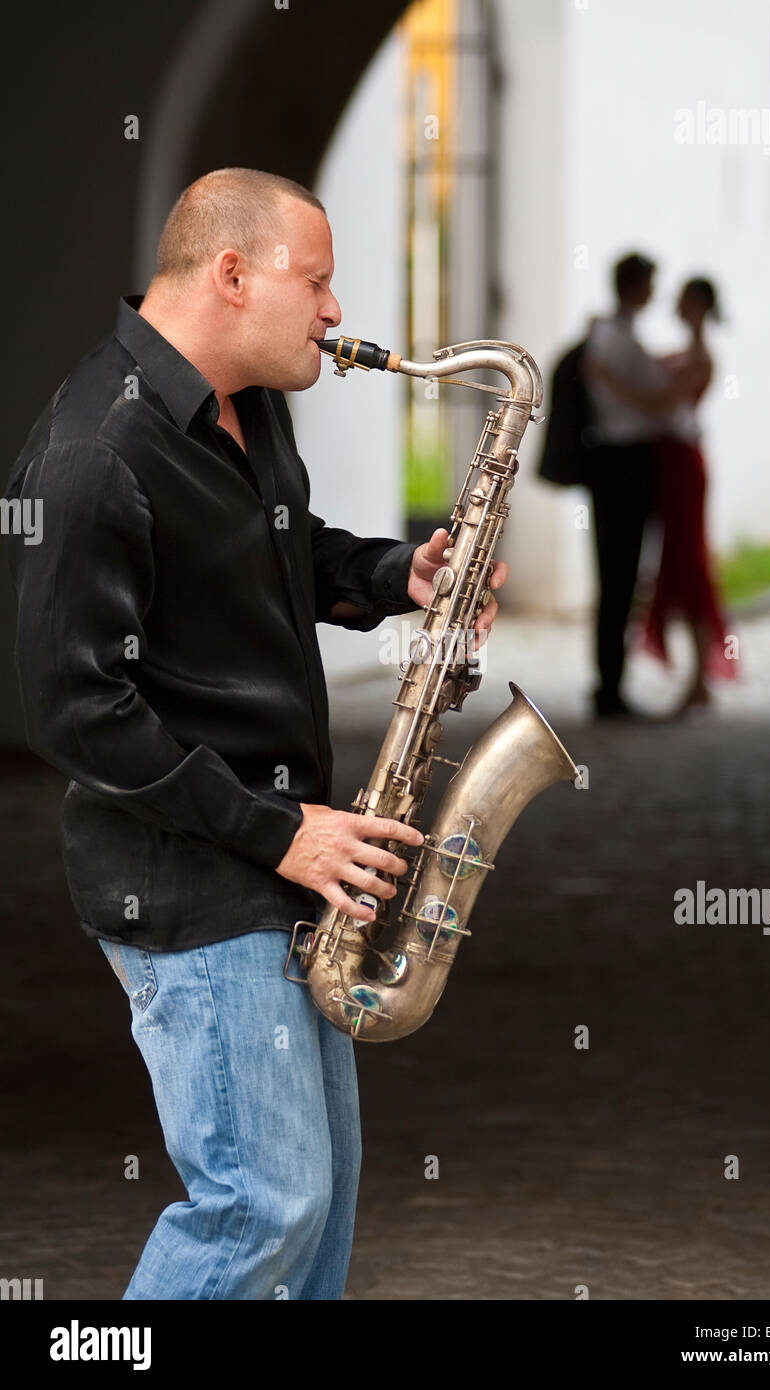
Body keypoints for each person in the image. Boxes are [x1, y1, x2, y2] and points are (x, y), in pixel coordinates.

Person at [2, 167, 506, 1300]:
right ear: (231, 274)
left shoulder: (244, 404)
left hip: (284, 866)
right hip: (195, 882)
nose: (335, 311)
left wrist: (398, 574)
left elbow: (281, 548)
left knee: (312, 1223)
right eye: (316, 280)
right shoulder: (94, 456)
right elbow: (76, 715)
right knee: (258, 1208)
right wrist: (277, 833)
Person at [588, 277, 735, 713]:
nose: (675, 304)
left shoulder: (700, 357)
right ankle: (698, 679)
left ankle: (700, 678)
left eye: (684, 300)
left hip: (683, 466)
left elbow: (656, 402)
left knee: (689, 565)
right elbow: (651, 367)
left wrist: (607, 377)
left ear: (700, 307)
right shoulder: (687, 353)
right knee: (678, 565)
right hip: (672, 465)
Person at [582, 252, 667, 718]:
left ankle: (609, 681)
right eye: (651, 283)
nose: (655, 292)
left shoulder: (607, 333)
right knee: (619, 576)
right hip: (625, 465)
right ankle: (609, 687)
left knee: (615, 576)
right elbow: (654, 398)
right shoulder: (622, 339)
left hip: (612, 464)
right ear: (637, 286)